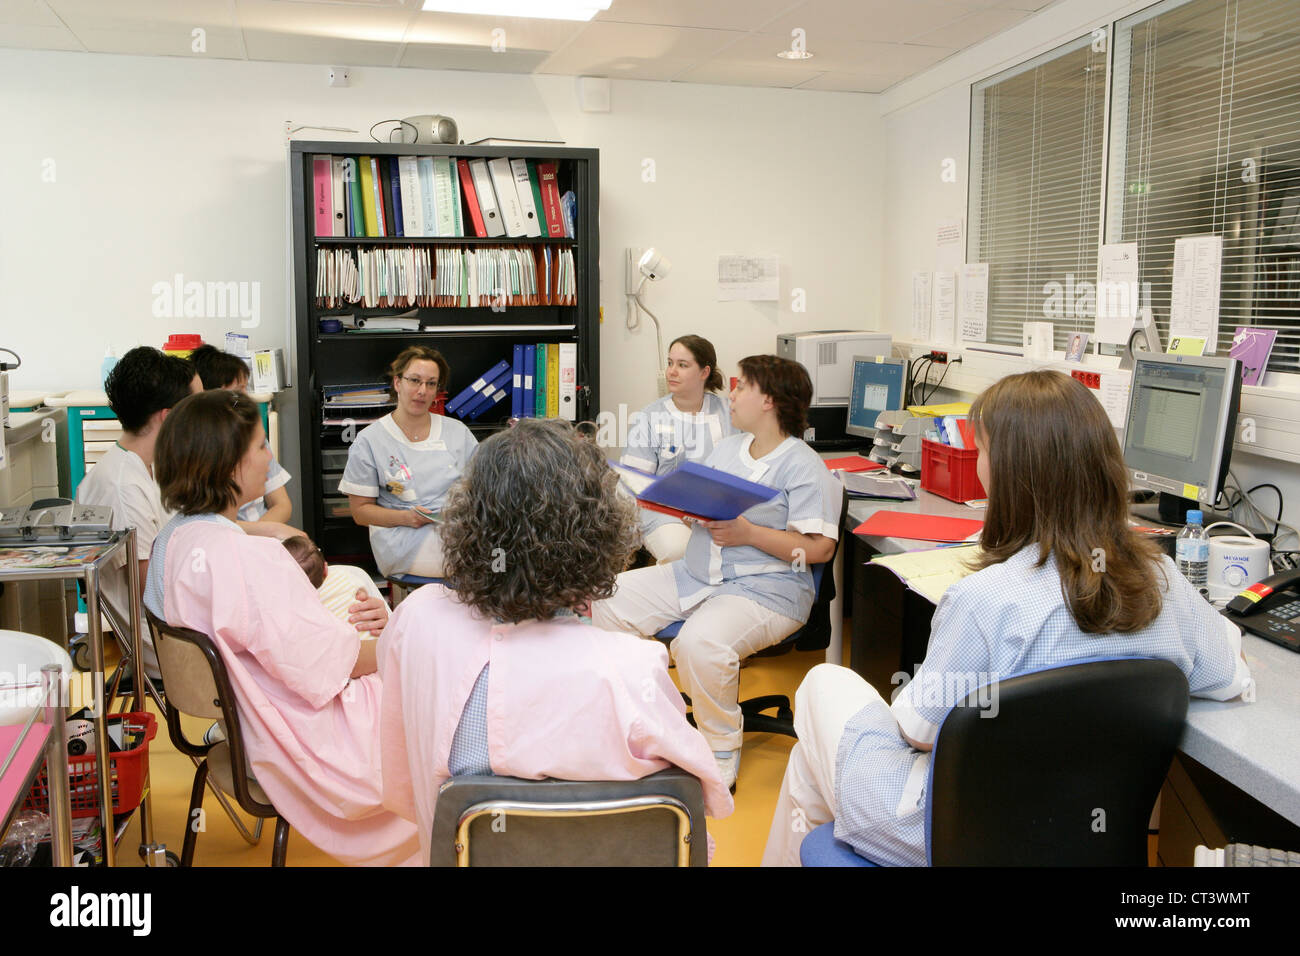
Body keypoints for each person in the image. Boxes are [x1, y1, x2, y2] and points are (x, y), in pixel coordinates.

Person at [760, 370, 1255, 867]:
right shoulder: (1162, 579)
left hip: (952, 836)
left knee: (823, 686)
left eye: (984, 451)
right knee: (811, 762)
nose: (979, 466)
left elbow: (918, 729)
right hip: (1077, 839)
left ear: (1013, 472)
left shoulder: (984, 599)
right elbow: (1230, 676)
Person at [378, 418, 733, 863]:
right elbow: (694, 808)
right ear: (598, 532)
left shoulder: (416, 617)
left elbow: (403, 784)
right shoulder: (629, 666)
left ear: (468, 521)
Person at [143, 390, 419, 866]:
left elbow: (269, 641)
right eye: (262, 447)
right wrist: (403, 639)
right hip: (298, 737)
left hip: (243, 719)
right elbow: (332, 667)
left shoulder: (175, 540)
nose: (271, 457)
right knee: (436, 689)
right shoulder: (250, 558)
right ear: (230, 466)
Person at [593, 355, 842, 791]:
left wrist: (749, 533)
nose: (732, 393)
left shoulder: (803, 466)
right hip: (698, 573)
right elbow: (706, 498)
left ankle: (720, 744)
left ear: (768, 399)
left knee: (699, 644)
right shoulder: (729, 448)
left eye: (742, 386)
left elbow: (819, 548)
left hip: (766, 589)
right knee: (599, 602)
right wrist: (689, 511)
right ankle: (639, 718)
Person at [75, 346, 201, 678]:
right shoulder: (122, 487)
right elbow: (156, 592)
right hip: (169, 646)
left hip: (179, 622)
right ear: (168, 415)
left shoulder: (145, 467)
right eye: (196, 408)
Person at [340, 346, 477, 578]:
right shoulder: (369, 441)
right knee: (493, 562)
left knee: (512, 545)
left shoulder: (457, 432)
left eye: (431, 384)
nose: (422, 391)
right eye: (415, 380)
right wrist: (407, 518)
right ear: (397, 383)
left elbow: (484, 486)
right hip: (401, 537)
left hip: (456, 529)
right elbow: (360, 513)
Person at [621, 335, 735, 563]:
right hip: (665, 511)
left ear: (704, 372)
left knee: (736, 552)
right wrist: (681, 512)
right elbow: (633, 483)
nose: (671, 371)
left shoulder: (729, 412)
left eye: (682, 365)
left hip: (720, 509)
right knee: (679, 551)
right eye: (670, 363)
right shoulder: (649, 417)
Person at [189, 343, 292, 526]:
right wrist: (250, 537)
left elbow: (282, 504)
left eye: (246, 389)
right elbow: (213, 525)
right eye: (237, 392)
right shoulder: (199, 450)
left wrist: (258, 536)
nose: (245, 399)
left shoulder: (252, 436)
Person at [282, 534, 385, 637]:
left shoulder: (291, 609)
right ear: (326, 569)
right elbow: (363, 592)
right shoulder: (344, 576)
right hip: (371, 637)